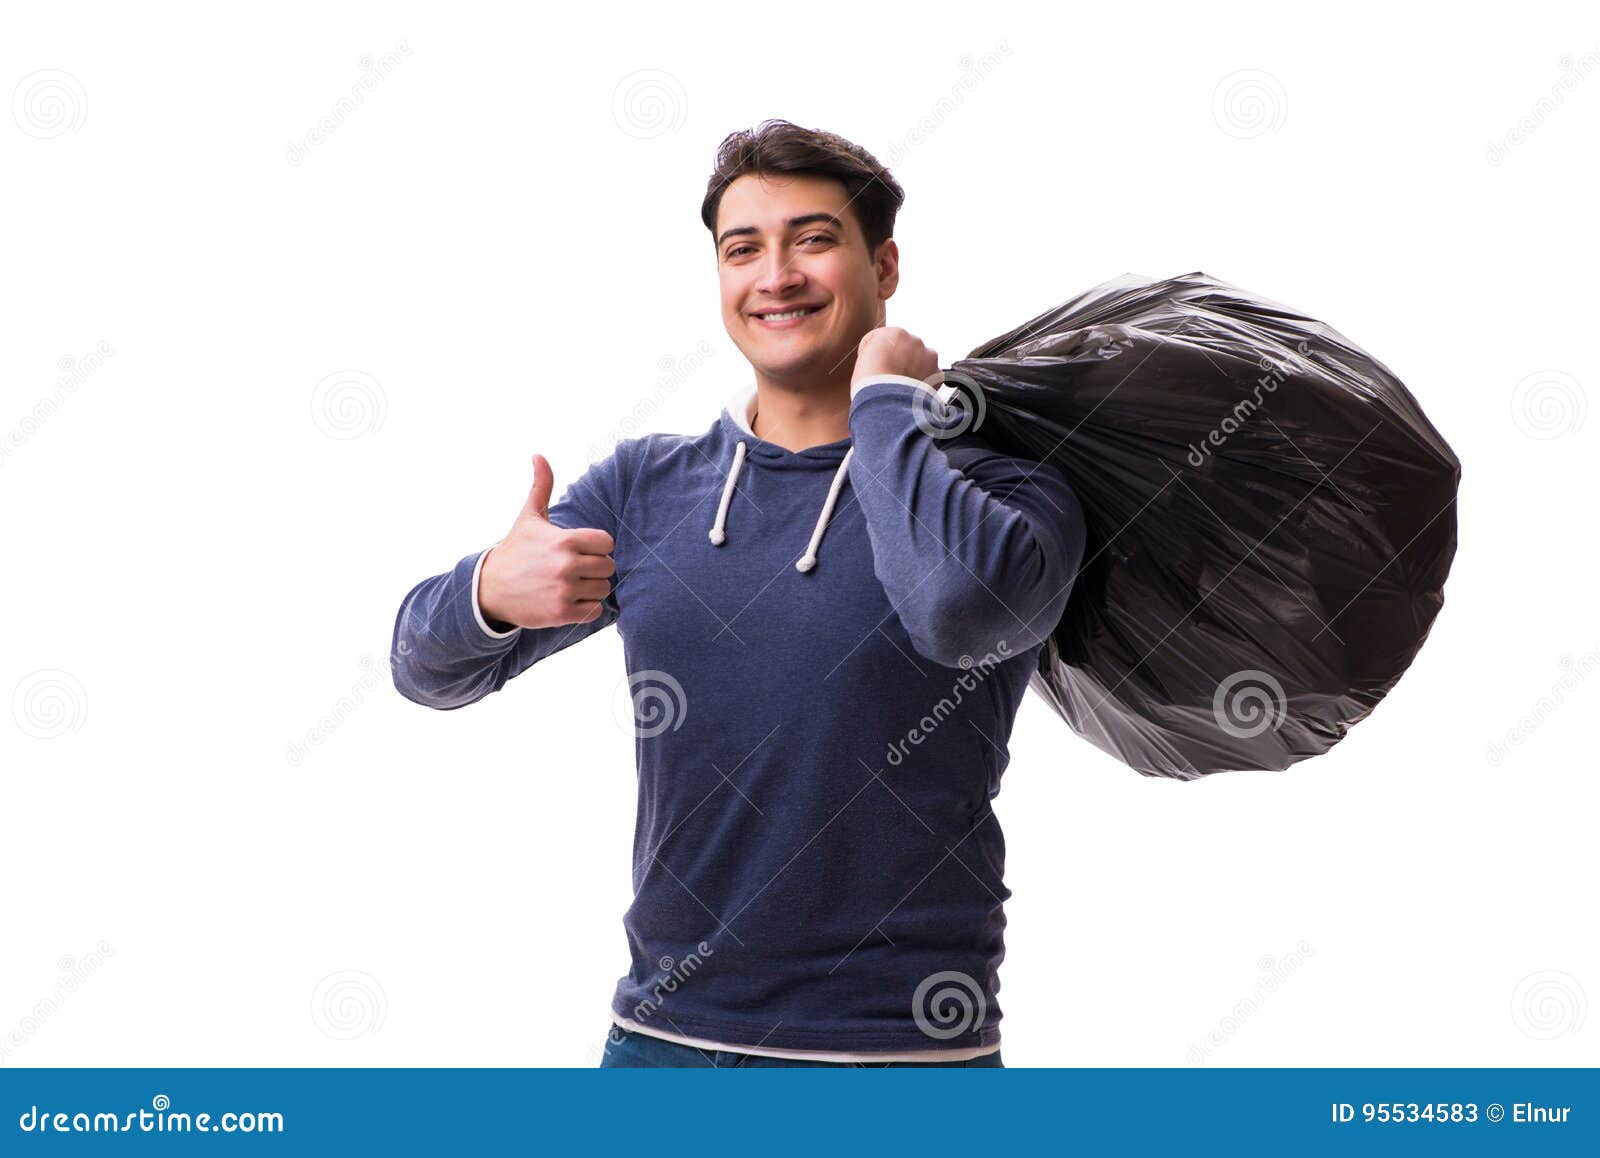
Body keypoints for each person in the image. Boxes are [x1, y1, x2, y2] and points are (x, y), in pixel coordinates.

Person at [391, 119, 1086, 1068]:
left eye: (813, 239)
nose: (776, 276)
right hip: (662, 1046)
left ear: (884, 266)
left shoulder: (1002, 490)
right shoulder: (647, 488)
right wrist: (489, 594)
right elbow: (421, 671)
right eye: (742, 250)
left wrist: (887, 407)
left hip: (903, 1061)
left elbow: (956, 610)